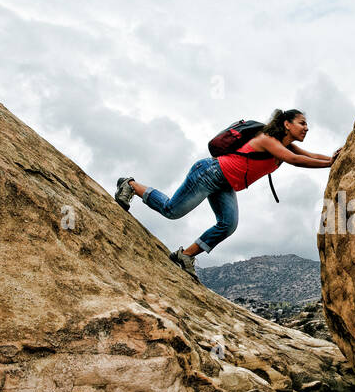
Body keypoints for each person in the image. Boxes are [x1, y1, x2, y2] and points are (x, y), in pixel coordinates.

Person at [114, 108, 340, 282]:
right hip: (209, 173)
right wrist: (330, 164)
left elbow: (310, 155)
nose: (306, 128)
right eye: (302, 123)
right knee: (172, 211)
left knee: (228, 224)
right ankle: (130, 185)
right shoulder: (267, 139)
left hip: (225, 183)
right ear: (287, 124)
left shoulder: (285, 144)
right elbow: (295, 160)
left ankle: (185, 256)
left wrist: (334, 158)